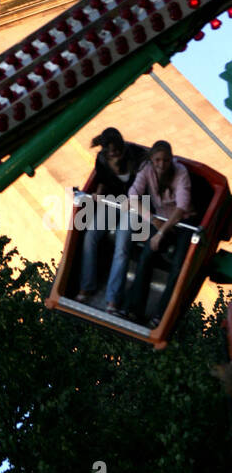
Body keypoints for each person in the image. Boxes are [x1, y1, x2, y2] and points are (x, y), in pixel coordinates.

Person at [123, 140, 192, 328]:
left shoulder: (181, 173)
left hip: (184, 224)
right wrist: (152, 220)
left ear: (172, 159)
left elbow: (181, 208)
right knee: (147, 253)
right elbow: (133, 195)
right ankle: (134, 309)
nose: (162, 165)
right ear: (152, 160)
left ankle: (161, 315)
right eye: (158, 160)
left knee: (179, 266)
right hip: (161, 219)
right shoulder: (147, 169)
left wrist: (160, 232)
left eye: (166, 160)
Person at [76, 128, 143, 313]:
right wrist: (97, 194)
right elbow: (103, 182)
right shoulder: (102, 160)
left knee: (122, 246)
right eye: (110, 151)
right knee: (91, 236)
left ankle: (112, 299)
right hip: (112, 201)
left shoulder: (136, 156)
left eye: (117, 150)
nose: (114, 155)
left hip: (135, 205)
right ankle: (86, 286)